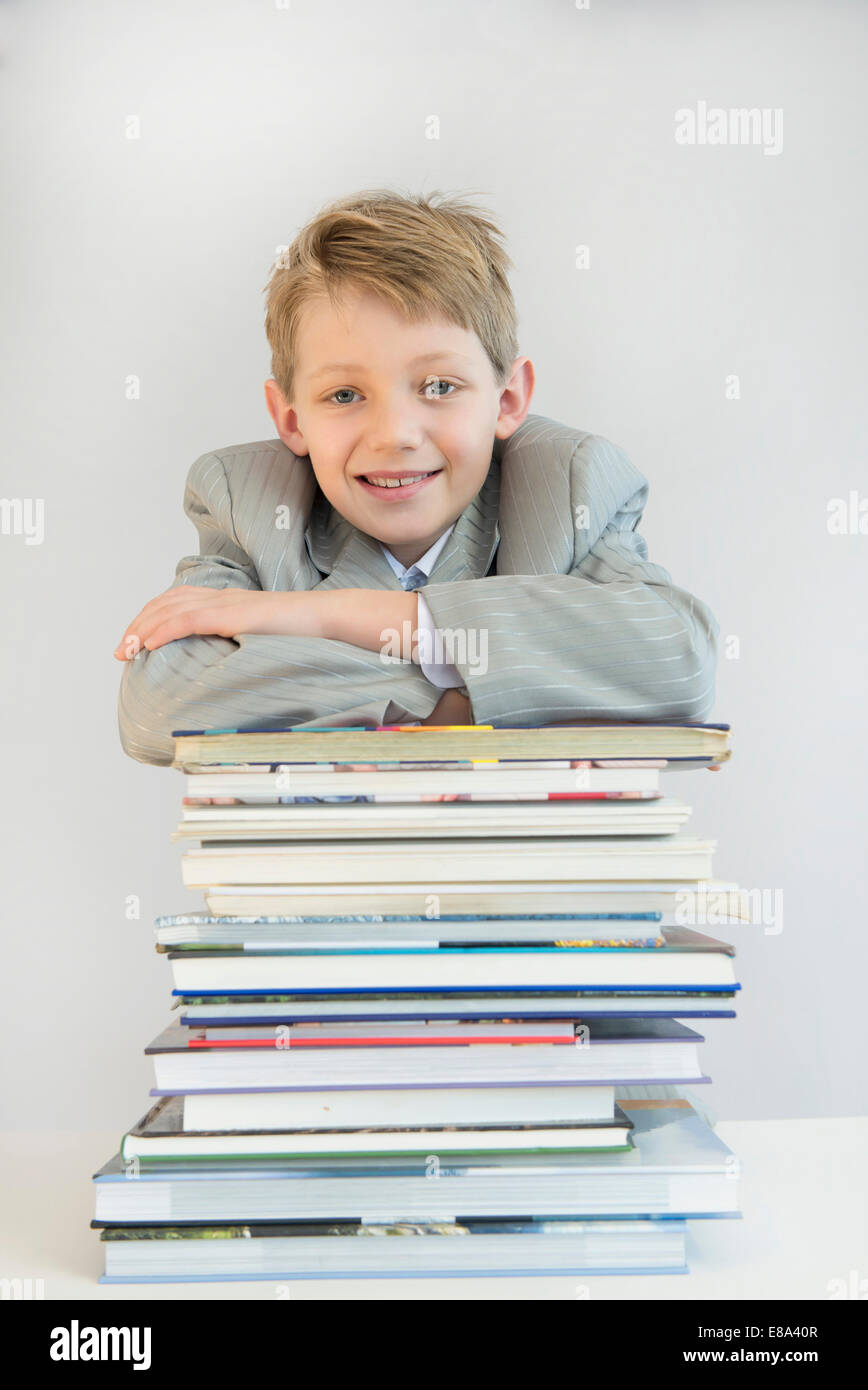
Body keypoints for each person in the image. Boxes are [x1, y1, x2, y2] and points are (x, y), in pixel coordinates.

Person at [115, 188, 719, 766]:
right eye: (345, 394)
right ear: (291, 419)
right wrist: (473, 696)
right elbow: (158, 707)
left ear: (507, 401)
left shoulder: (567, 485)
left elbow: (678, 658)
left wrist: (321, 618)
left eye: (439, 386)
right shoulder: (245, 501)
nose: (394, 434)